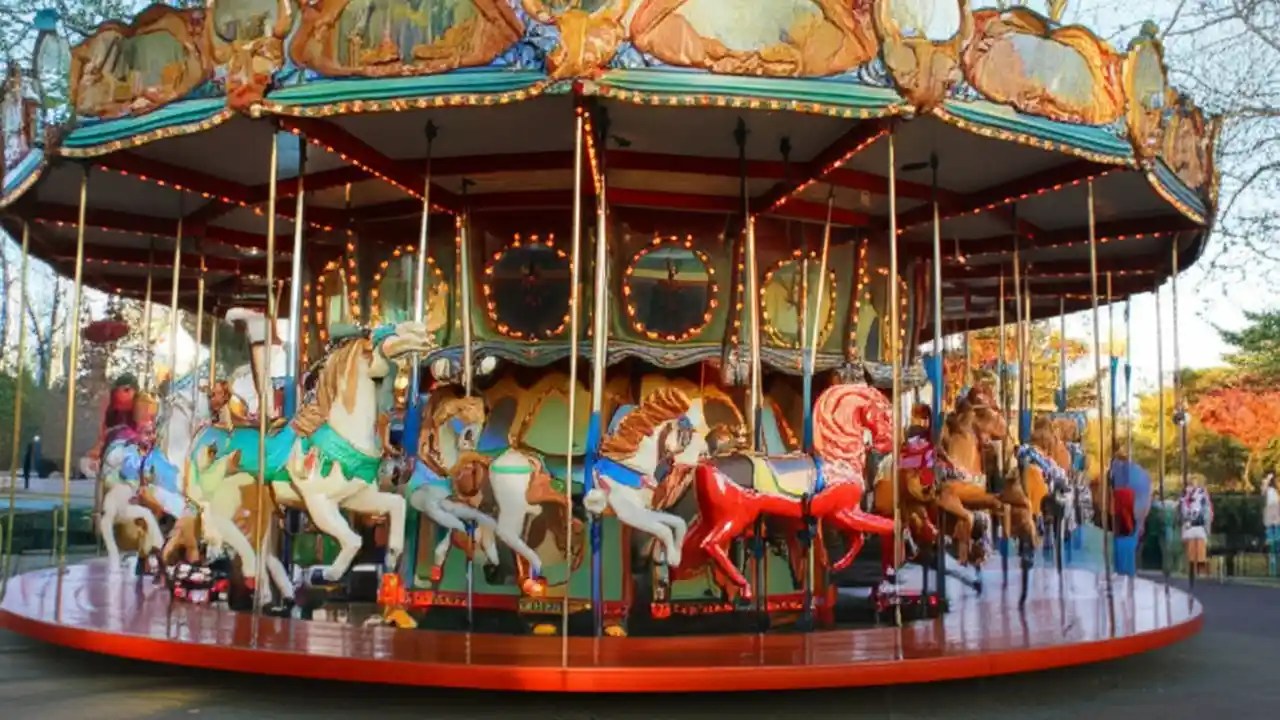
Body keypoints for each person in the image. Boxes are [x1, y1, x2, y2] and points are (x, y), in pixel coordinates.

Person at [1178, 476, 1214, 580]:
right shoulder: (1185, 495)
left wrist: (1207, 523)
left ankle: (1200, 572)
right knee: (1191, 549)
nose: (1194, 484)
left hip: (1199, 525)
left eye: (1196, 482)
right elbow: (1182, 510)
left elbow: (1207, 509)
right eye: (1192, 482)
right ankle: (1192, 571)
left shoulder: (1203, 494)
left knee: (1200, 549)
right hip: (1189, 526)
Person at [1264, 473, 1280, 577]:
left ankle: (1275, 566)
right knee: (1272, 541)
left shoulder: (1276, 493)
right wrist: (1267, 479)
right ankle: (1273, 567)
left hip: (1275, 515)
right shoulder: (1270, 490)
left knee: (1276, 540)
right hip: (1271, 514)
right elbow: (1263, 490)